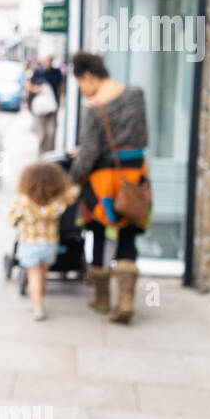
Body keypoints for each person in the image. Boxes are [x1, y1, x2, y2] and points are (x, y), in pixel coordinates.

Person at [67, 52, 149, 324]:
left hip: (103, 181)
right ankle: (125, 299)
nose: (82, 91)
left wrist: (73, 175)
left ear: (88, 76)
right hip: (135, 176)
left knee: (99, 234)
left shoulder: (93, 108)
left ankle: (102, 300)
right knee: (128, 234)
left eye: (80, 84)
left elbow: (89, 154)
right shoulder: (136, 94)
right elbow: (142, 137)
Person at [8, 162, 80, 321]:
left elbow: (12, 219)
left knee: (33, 275)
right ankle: (38, 300)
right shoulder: (58, 201)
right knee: (42, 274)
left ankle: (38, 307)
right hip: (50, 245)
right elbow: (74, 191)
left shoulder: (23, 201)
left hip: (30, 244)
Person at [25, 54, 63, 155]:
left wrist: (59, 101)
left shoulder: (56, 72)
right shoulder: (37, 72)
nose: (47, 63)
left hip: (52, 106)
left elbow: (60, 88)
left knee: (51, 132)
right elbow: (28, 85)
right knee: (42, 133)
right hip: (40, 107)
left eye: (49, 61)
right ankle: (41, 155)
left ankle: (50, 154)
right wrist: (36, 89)